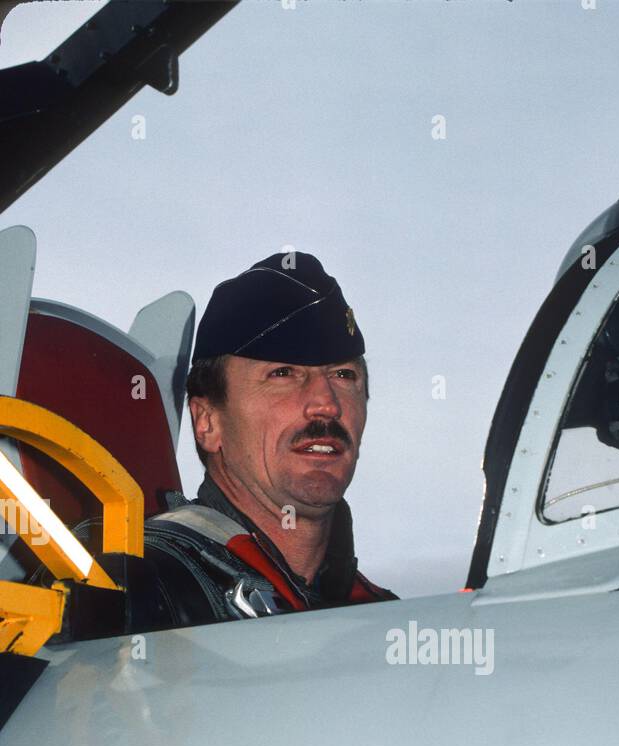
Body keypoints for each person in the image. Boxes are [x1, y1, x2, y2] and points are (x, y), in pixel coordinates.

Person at [38, 251, 397, 639]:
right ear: (207, 422)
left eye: (344, 374)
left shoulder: (384, 621)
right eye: (283, 374)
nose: (326, 403)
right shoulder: (127, 589)